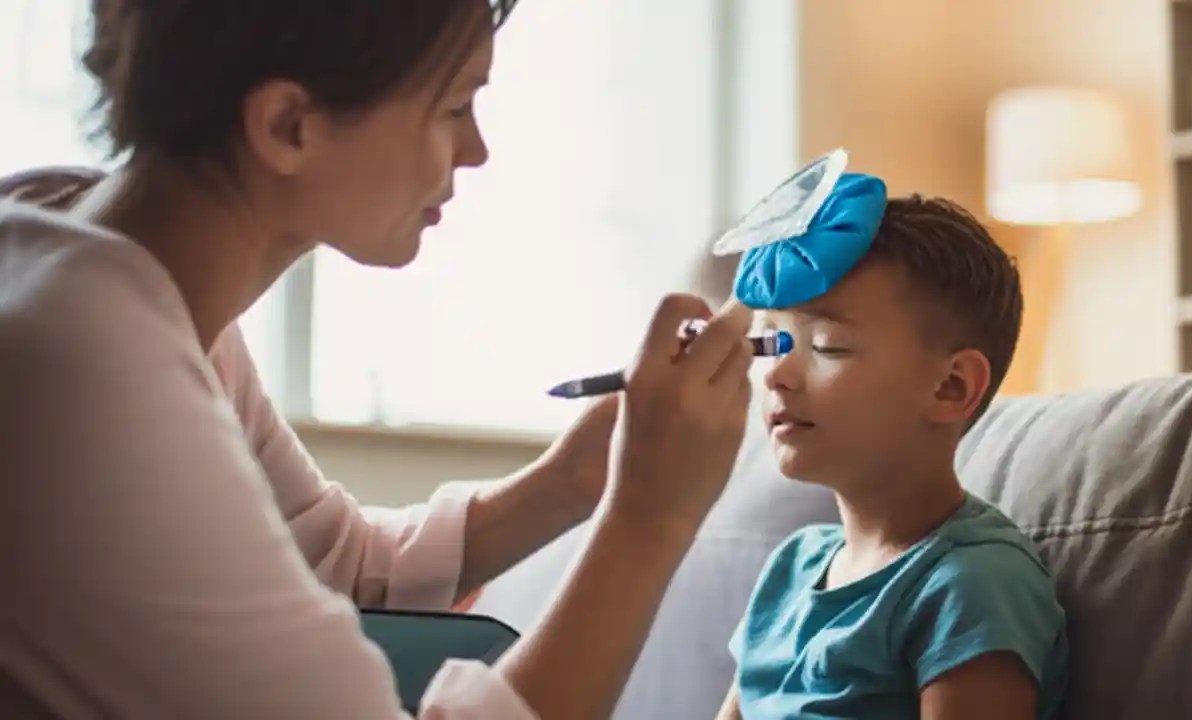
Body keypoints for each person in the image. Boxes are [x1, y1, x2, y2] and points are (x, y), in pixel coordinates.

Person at [0, 1, 757, 717]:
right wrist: (651, 514)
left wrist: (573, 481)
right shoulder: (86, 372)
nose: (477, 150)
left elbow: (338, 564)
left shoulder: (84, 249)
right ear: (289, 126)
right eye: (454, 107)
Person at [714, 190, 1070, 719]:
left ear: (951, 386)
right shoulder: (790, 569)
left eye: (827, 346)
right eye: (771, 344)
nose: (776, 375)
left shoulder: (973, 583)